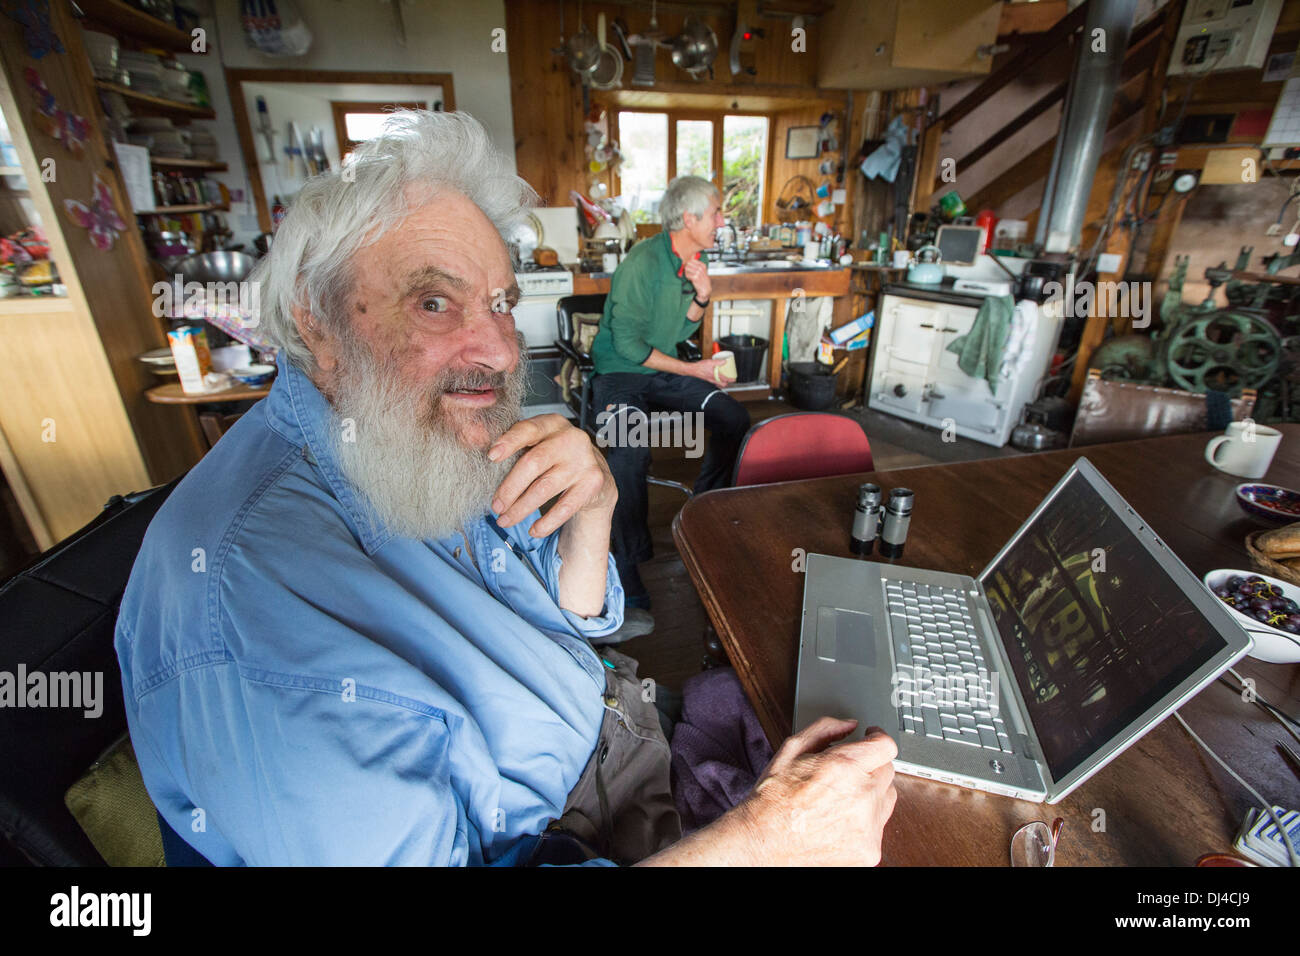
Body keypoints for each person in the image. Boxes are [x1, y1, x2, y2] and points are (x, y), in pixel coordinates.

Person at [114, 111, 896, 866]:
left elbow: (567, 622)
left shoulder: (414, 431)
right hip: (567, 831)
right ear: (313, 320)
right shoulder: (253, 606)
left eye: (500, 304)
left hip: (614, 726)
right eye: (432, 301)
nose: (496, 348)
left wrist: (594, 515)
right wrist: (763, 845)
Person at [590, 176, 752, 619]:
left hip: (661, 370)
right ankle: (628, 563)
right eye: (716, 213)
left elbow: (679, 332)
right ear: (689, 218)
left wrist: (703, 295)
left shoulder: (692, 260)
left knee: (733, 419)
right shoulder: (642, 263)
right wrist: (694, 369)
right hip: (620, 373)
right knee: (626, 451)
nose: (722, 220)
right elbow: (627, 346)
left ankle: (704, 510)